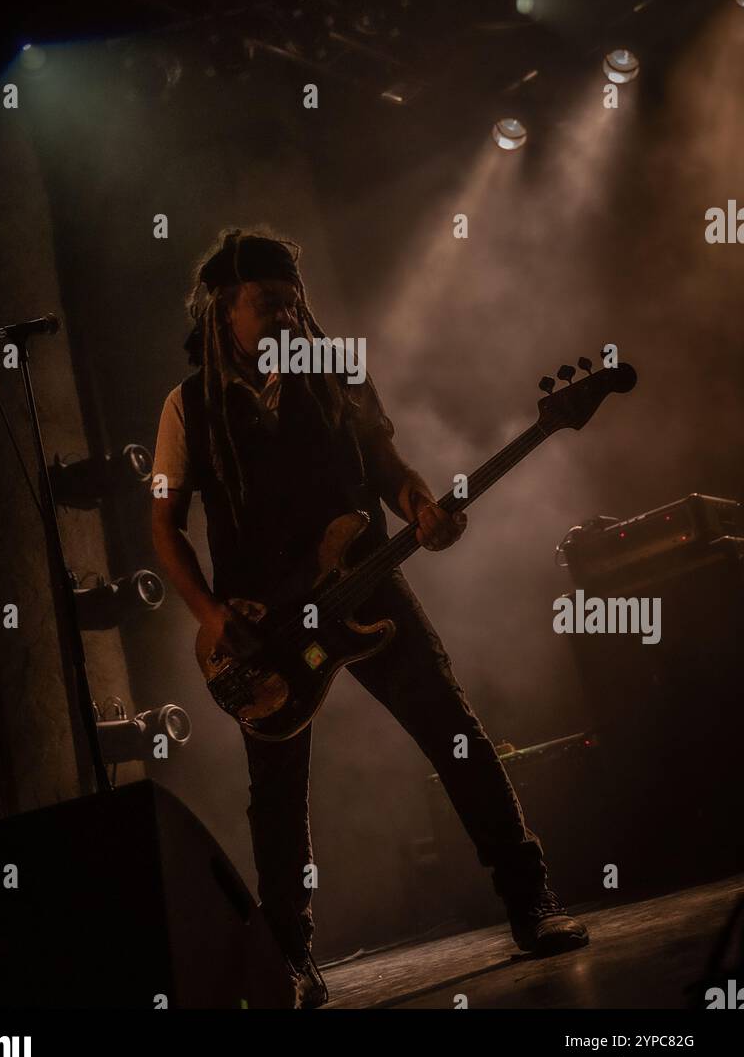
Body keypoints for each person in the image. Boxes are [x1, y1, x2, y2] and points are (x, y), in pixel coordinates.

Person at [151, 229, 588, 1008]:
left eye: (293, 303)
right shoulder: (186, 407)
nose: (287, 318)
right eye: (268, 304)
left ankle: (533, 901)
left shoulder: (338, 369)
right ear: (223, 310)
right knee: (276, 791)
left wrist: (421, 506)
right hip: (262, 629)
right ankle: (292, 957)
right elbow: (163, 525)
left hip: (365, 586)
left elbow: (388, 467)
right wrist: (210, 616)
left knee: (454, 733)